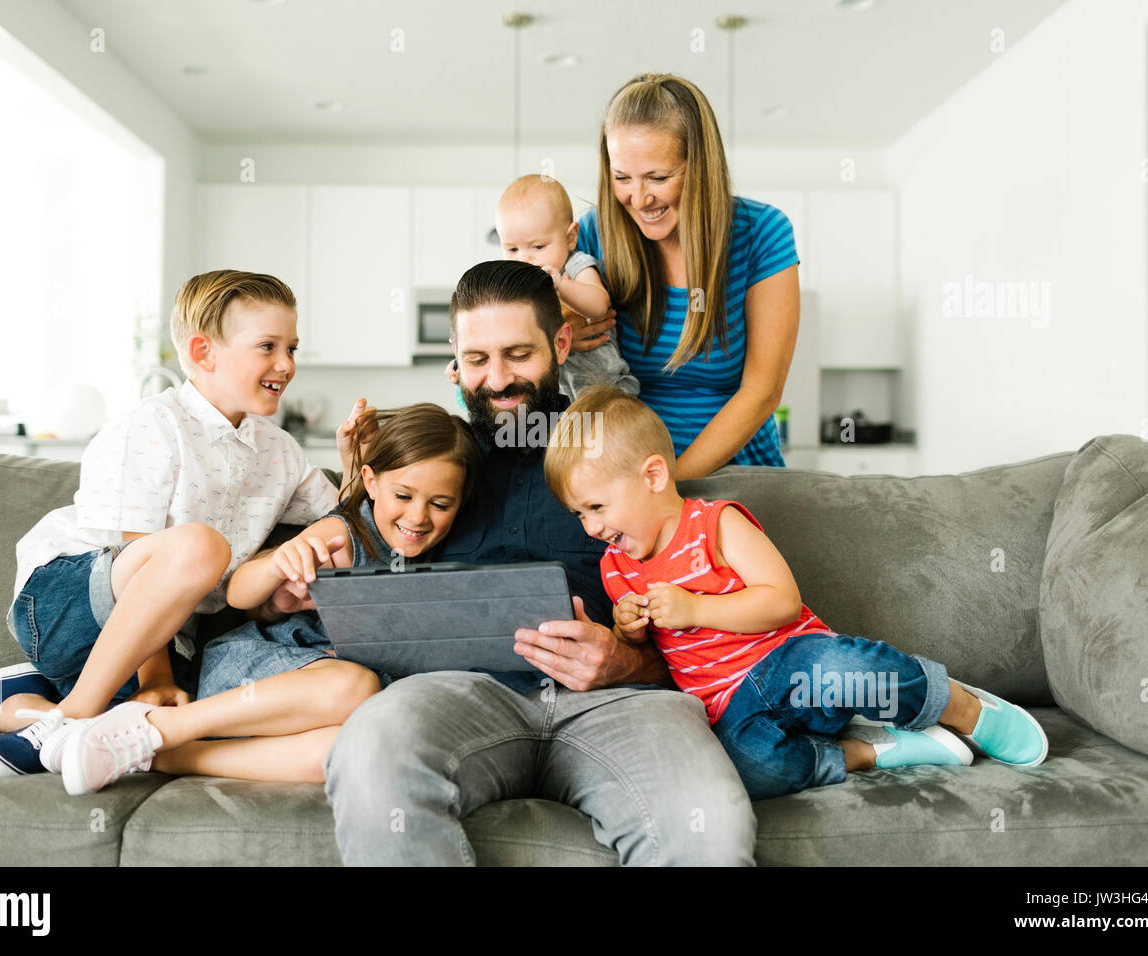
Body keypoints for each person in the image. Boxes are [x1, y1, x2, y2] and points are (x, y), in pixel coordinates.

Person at [318, 259, 758, 865]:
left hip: (619, 700)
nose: (497, 381)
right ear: (455, 358)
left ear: (561, 342)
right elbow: (354, 549)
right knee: (369, 752)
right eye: (476, 359)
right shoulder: (434, 462)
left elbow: (704, 600)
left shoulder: (623, 453)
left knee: (705, 827)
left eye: (517, 354)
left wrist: (627, 661)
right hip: (462, 696)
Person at [0, 270, 343, 780]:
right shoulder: (152, 427)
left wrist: (357, 460)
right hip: (64, 602)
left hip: (157, 636)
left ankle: (20, 705)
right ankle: (76, 708)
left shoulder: (280, 452)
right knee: (200, 548)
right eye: (268, 347)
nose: (287, 365)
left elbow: (343, 519)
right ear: (204, 353)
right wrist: (156, 675)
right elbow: (146, 569)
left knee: (160, 720)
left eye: (292, 348)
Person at [543, 386, 1049, 800]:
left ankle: (964, 708)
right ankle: (873, 751)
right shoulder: (617, 568)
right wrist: (627, 629)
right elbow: (647, 652)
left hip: (792, 665)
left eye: (596, 507)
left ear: (653, 475)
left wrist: (696, 606)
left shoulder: (715, 524)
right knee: (751, 770)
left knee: (848, 670)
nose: (591, 527)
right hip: (729, 708)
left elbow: (781, 600)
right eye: (580, 515)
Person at [53, 403, 482, 795]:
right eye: (403, 496)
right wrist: (280, 563)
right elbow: (239, 593)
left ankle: (167, 755)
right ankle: (162, 726)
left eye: (440, 503)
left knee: (355, 749)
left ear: (461, 504)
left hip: (315, 713)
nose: (418, 516)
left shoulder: (446, 555)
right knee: (354, 686)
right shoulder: (342, 536)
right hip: (257, 675)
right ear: (370, 482)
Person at [573, 73, 801, 478]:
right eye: (622, 177)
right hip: (629, 481)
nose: (639, 199)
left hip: (736, 475)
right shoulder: (593, 234)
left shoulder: (763, 232)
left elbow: (761, 392)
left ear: (700, 167)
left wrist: (671, 484)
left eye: (658, 178)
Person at [446, 174, 639, 401]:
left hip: (606, 390)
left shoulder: (575, 265)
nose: (525, 259)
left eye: (538, 246)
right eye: (512, 250)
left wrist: (562, 286)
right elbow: (497, 338)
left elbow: (599, 306)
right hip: (558, 396)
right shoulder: (517, 289)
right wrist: (465, 363)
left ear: (570, 238)